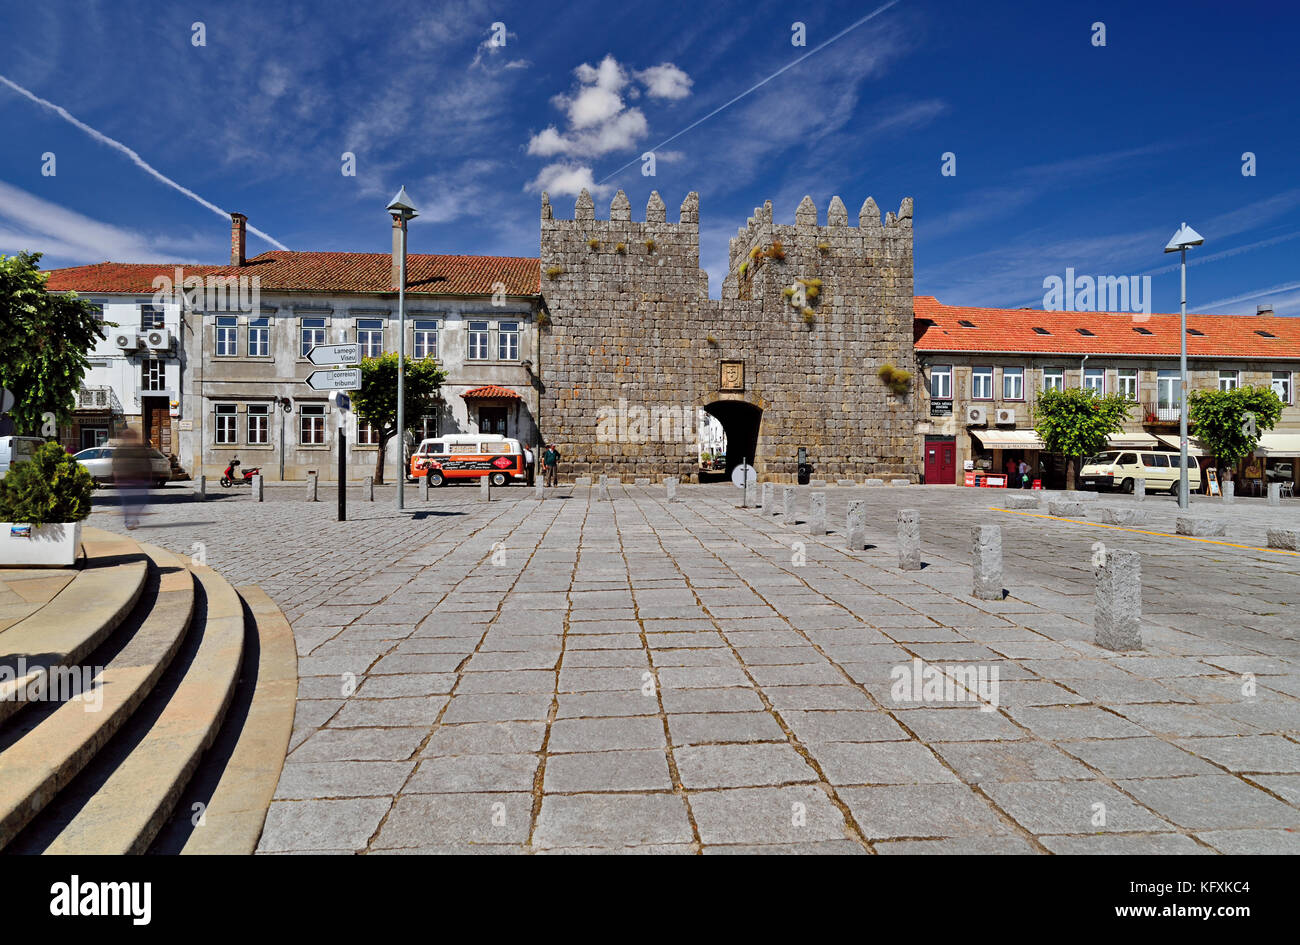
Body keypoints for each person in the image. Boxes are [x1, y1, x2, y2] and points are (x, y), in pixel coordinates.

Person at [112, 431, 152, 530]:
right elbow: (115, 465)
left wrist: (149, 476)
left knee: (142, 501)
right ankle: (129, 522)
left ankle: (134, 517)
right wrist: (116, 477)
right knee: (127, 502)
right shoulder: (120, 450)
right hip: (124, 480)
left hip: (139, 479)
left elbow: (147, 463)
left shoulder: (140, 448)